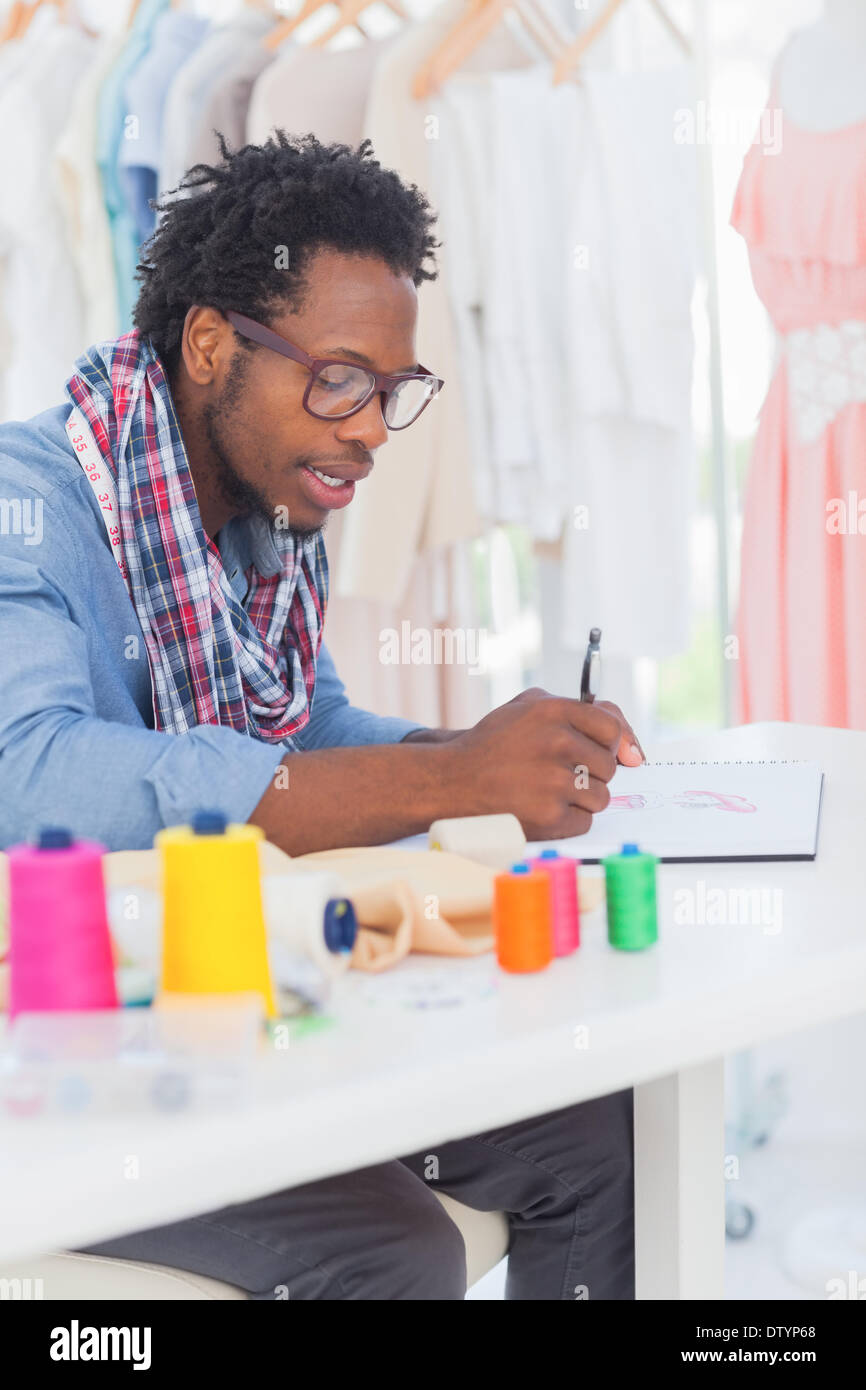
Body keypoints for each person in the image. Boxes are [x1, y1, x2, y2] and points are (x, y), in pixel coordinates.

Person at [0, 134, 640, 1299]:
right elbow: (33, 781)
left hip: (246, 997)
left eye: (391, 392)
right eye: (339, 377)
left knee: (590, 1135)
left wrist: (464, 756)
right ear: (209, 345)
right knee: (389, 1249)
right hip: (71, 1052)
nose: (366, 429)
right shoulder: (24, 505)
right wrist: (441, 787)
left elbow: (299, 732)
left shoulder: (269, 510)